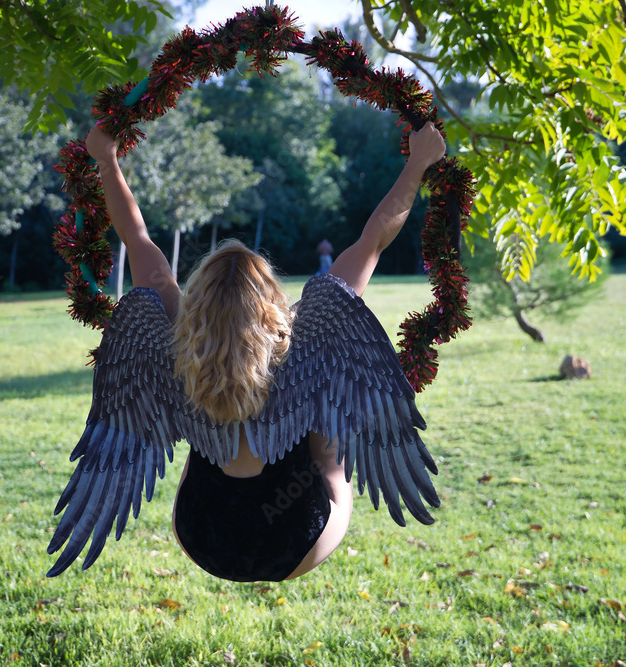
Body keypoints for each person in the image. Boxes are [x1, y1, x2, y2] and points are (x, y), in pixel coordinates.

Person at [47, 121, 446, 582]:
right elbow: (373, 241)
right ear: (269, 302)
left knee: (205, 426)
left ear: (199, 302)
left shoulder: (169, 340)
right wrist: (418, 163)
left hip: (201, 535)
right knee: (331, 440)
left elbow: (137, 239)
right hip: (297, 542)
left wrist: (106, 160)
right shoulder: (312, 329)